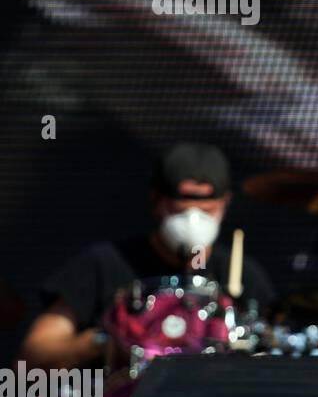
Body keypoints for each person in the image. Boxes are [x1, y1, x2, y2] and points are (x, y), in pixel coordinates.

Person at [19, 142, 277, 369]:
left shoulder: (241, 274)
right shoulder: (105, 264)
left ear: (225, 203)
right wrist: (108, 339)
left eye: (206, 205)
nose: (194, 216)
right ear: (156, 200)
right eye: (183, 204)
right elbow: (35, 354)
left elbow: (274, 350)